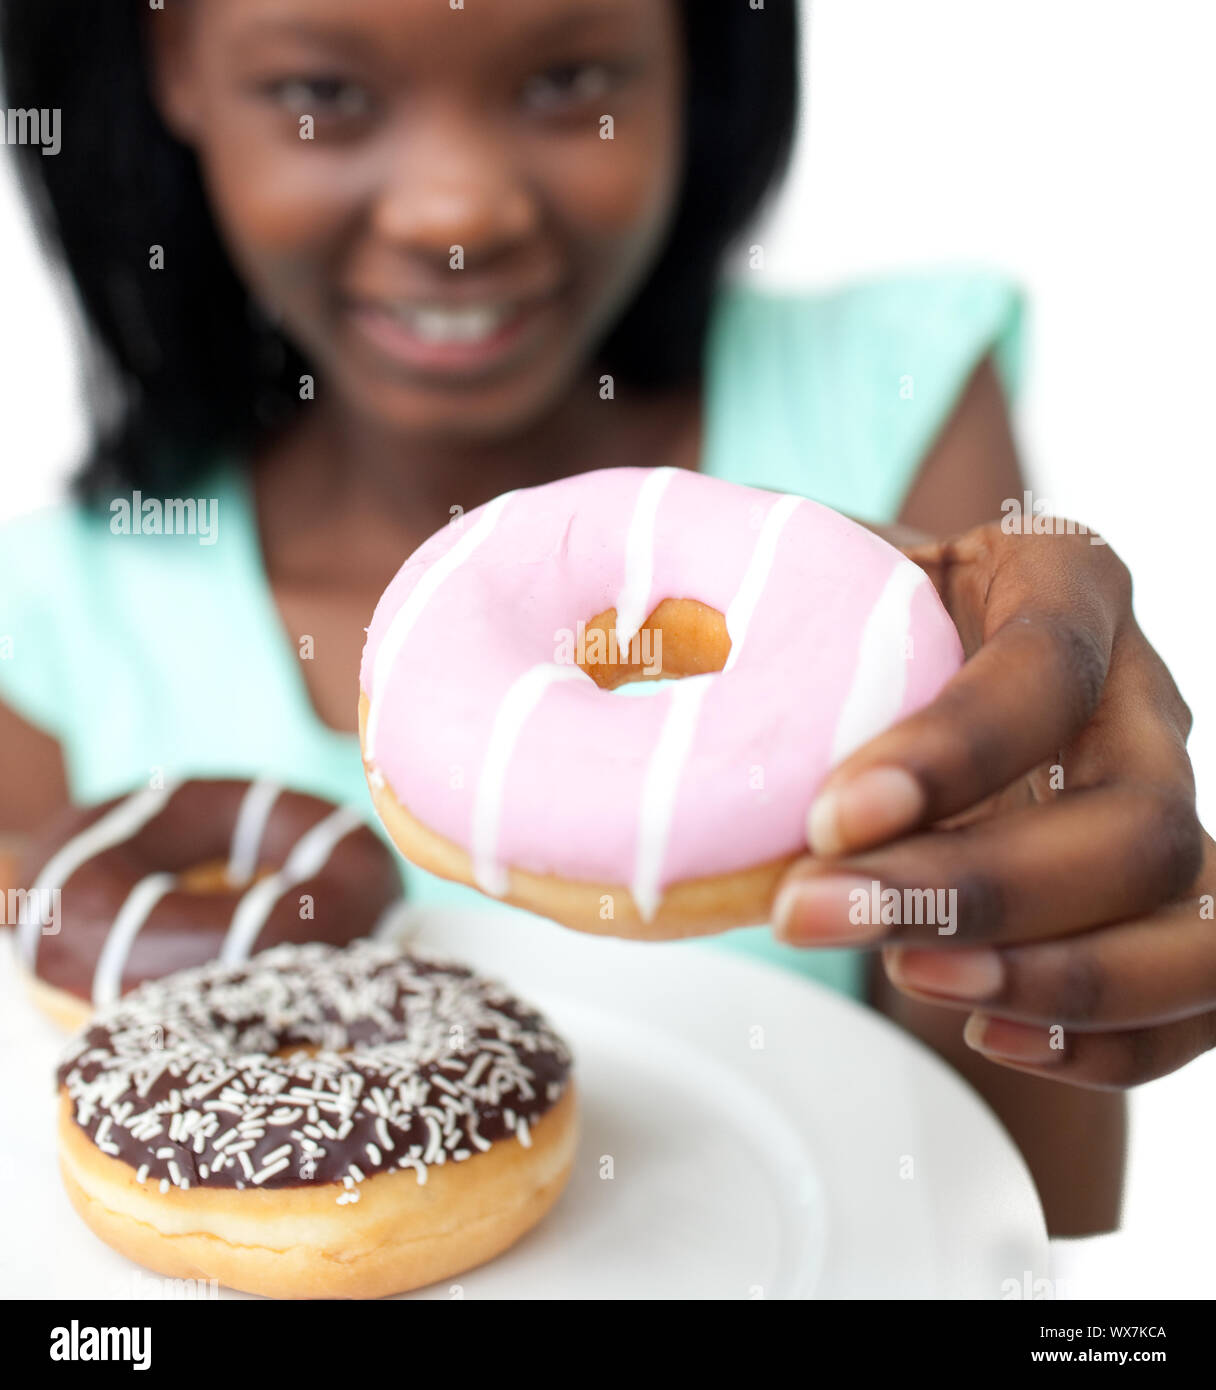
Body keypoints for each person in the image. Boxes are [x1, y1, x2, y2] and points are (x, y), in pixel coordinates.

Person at [1, 0, 1209, 1237]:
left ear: (698, 54)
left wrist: (1035, 859)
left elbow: (1016, 1234)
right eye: (325, 94)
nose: (458, 212)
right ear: (173, 66)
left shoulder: (886, 439)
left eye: (569, 76)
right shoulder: (48, 625)